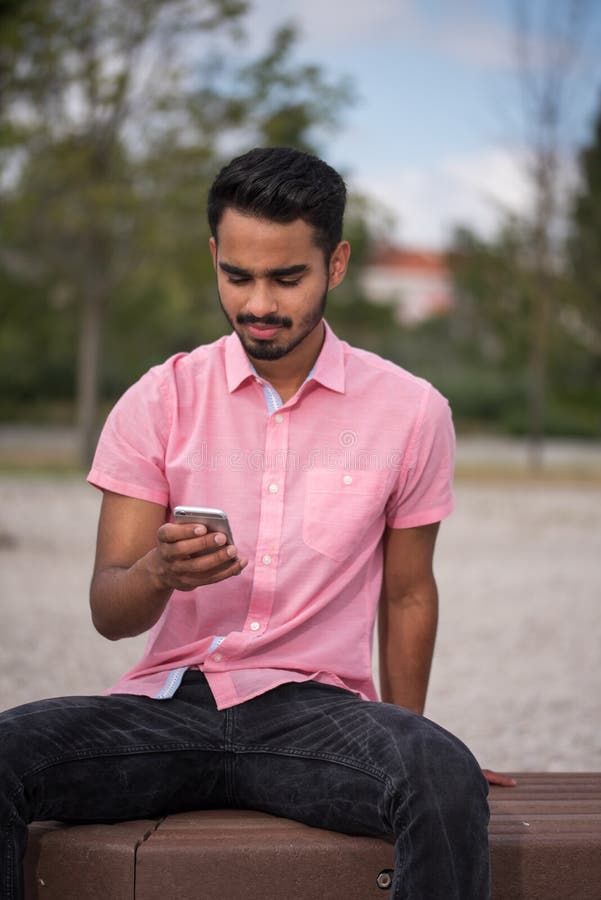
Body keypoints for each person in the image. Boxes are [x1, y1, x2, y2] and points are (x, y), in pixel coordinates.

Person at [0, 147, 513, 900]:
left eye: (286, 278)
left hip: (316, 717)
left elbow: (407, 593)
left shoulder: (412, 412)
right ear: (213, 256)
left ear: (336, 264)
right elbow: (109, 613)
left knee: (440, 770)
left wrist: (417, 744)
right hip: (168, 708)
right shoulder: (159, 399)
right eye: (237, 276)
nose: (259, 304)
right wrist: (158, 573)